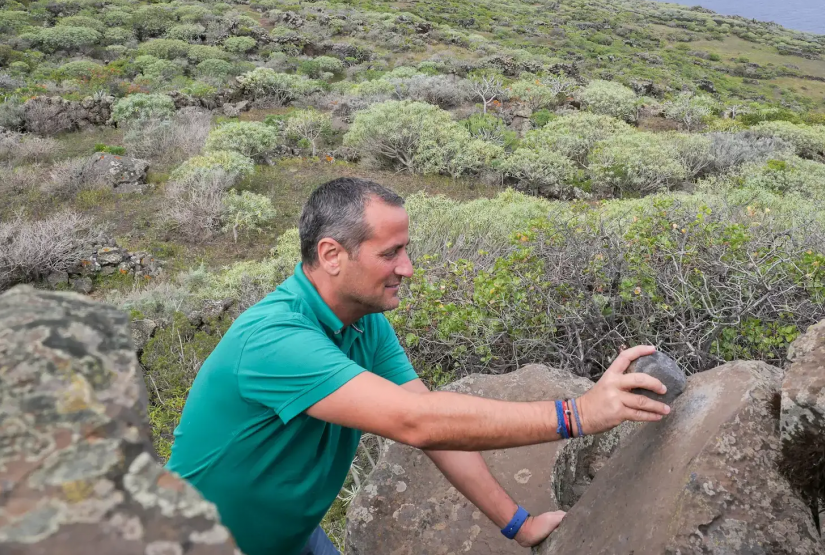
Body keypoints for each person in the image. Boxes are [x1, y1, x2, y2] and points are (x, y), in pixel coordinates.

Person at [166, 178, 672, 555]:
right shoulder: (273, 340)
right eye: (391, 253)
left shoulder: (364, 323)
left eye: (405, 249)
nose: (407, 268)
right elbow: (416, 423)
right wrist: (577, 415)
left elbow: (428, 420)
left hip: (290, 540)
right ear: (332, 254)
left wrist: (518, 523)